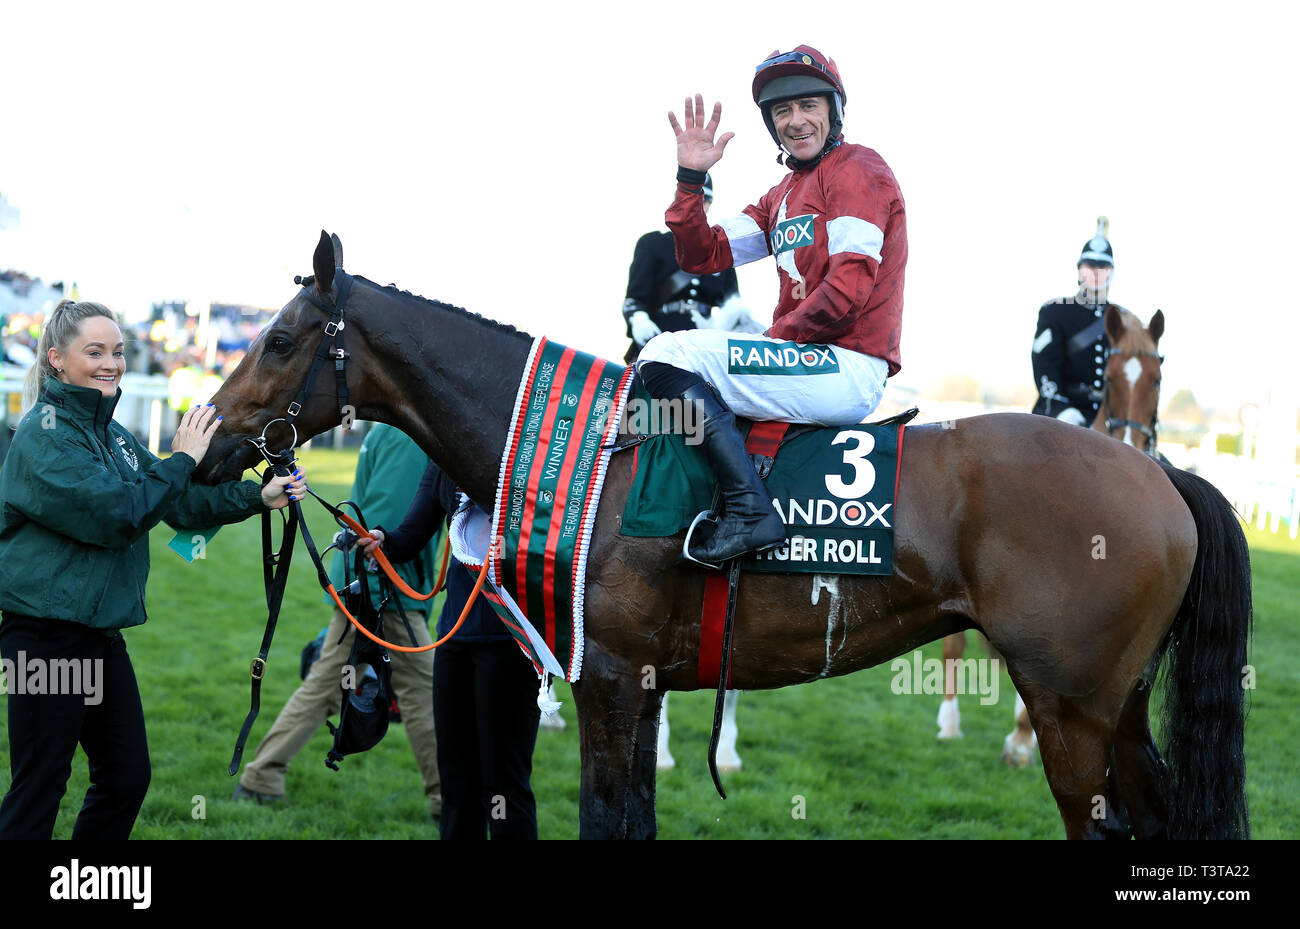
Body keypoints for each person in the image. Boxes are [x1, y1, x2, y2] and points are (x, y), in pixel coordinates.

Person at [0, 299, 304, 840]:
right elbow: (119, 515)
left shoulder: (112, 434)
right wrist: (184, 458)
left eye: (117, 351)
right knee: (40, 786)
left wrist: (260, 495)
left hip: (99, 636)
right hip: (42, 640)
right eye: (93, 351)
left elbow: (176, 506)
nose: (110, 363)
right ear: (56, 359)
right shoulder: (43, 434)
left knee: (125, 776)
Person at [638, 45, 908, 565]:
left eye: (808, 105)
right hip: (806, 356)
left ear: (833, 110)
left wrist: (772, 340)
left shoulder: (858, 169)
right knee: (659, 362)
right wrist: (690, 179)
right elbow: (704, 254)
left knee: (665, 354)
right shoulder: (782, 194)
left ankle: (749, 511)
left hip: (845, 364)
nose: (796, 121)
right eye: (782, 111)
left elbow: (850, 287)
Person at [233, 424, 443, 818]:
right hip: (385, 588)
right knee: (424, 692)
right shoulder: (411, 437)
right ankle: (448, 802)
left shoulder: (395, 430)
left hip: (373, 585)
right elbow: (386, 524)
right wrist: (380, 588)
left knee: (327, 684)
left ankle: (261, 778)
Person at [360, 464, 540, 840]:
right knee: (456, 779)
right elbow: (410, 537)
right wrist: (382, 541)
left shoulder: (521, 452)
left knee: (505, 783)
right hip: (454, 640)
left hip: (511, 642)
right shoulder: (443, 458)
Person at [621, 173, 759, 363]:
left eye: (704, 200)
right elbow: (634, 298)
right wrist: (639, 320)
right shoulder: (653, 244)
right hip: (658, 338)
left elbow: (733, 308)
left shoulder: (721, 252)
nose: (698, 206)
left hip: (703, 347)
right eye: (691, 200)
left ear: (709, 204)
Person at [1030, 217, 1124, 426]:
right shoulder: (1055, 311)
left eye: (1103, 267)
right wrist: (1062, 408)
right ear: (1079, 270)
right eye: (1090, 266)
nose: (1097, 273)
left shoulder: (1124, 319)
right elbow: (1044, 362)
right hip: (1061, 414)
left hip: (1108, 421)